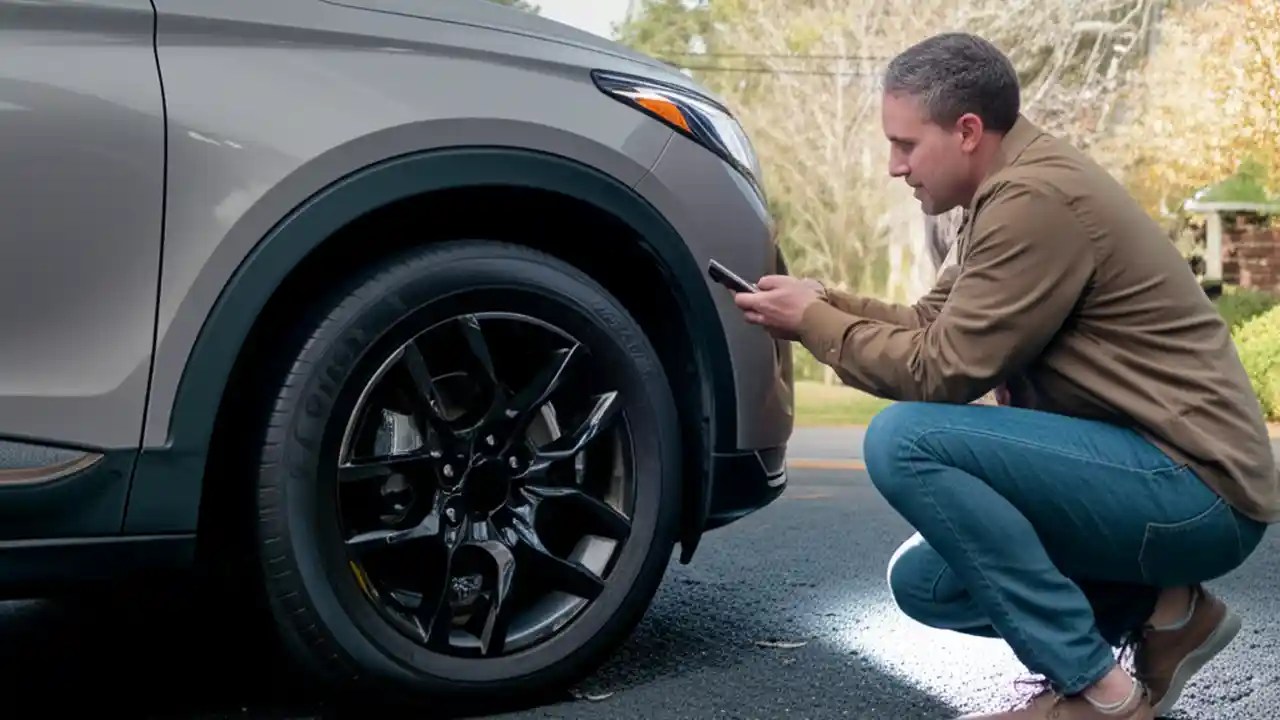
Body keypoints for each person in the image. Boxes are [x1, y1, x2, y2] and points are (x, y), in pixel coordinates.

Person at [733, 32, 1277, 720]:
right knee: (928, 581)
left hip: (1196, 489)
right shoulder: (1004, 192)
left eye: (905, 145)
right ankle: (1168, 615)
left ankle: (1099, 693)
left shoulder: (1034, 200)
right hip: (1156, 477)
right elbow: (930, 321)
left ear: (966, 131)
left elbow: (943, 371)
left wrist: (814, 324)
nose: (894, 167)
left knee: (905, 440)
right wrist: (822, 303)